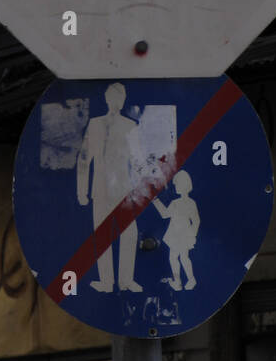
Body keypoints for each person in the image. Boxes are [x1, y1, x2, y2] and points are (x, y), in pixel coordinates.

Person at [76, 82, 142, 293]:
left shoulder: (130, 126)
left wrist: (141, 190)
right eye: (113, 97)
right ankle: (106, 282)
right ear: (106, 99)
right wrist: (81, 190)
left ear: (123, 101)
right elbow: (84, 159)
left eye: (120, 97)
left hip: (123, 189)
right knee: (103, 235)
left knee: (129, 234)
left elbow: (139, 161)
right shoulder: (95, 124)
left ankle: (126, 280)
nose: (116, 101)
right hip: (100, 189)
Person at [152, 171, 199, 291]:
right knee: (178, 257)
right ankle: (181, 281)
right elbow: (196, 221)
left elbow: (164, 214)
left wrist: (155, 201)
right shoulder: (190, 203)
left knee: (178, 258)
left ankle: (186, 280)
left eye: (177, 184)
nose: (176, 186)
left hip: (179, 235)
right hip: (180, 235)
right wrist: (192, 235)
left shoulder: (177, 203)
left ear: (183, 185)